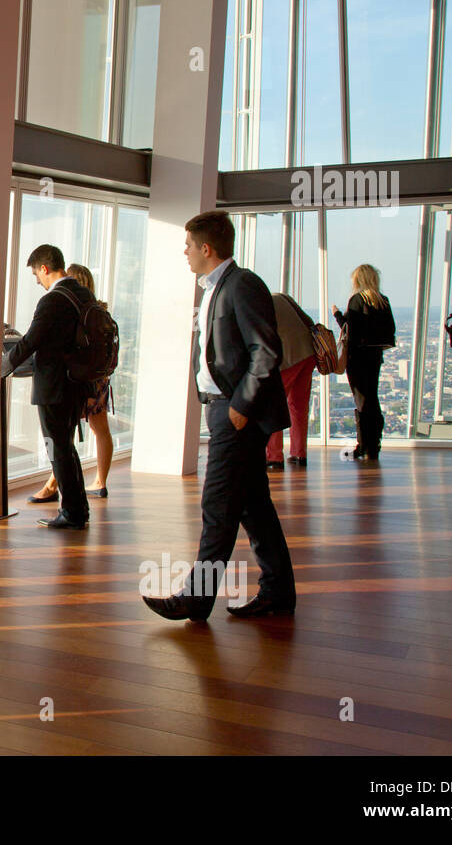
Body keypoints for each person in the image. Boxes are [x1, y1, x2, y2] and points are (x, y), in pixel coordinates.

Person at [142, 210, 297, 621]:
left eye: (189, 246)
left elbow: (265, 352)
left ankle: (195, 599)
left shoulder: (241, 285)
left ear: (206, 248)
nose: (186, 254)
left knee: (218, 507)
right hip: (222, 409)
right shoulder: (217, 286)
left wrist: (242, 408)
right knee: (252, 505)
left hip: (235, 412)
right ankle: (278, 590)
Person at [2, 245, 94, 530]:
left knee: (57, 447)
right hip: (77, 382)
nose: (37, 282)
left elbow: (31, 340)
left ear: (44, 268)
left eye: (35, 274)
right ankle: (79, 508)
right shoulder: (82, 294)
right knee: (66, 445)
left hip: (55, 386)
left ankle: (72, 512)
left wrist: (3, 367)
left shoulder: (53, 300)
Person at [27, 263, 115, 501]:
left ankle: (56, 487)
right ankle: (99, 481)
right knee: (98, 430)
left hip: (75, 379)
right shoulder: (97, 309)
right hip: (98, 379)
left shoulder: (69, 307)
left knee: (63, 436)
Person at [332, 264, 396, 461]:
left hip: (357, 358)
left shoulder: (357, 300)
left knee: (361, 400)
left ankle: (364, 445)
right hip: (374, 357)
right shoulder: (383, 301)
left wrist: (336, 314)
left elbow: (349, 329)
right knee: (372, 398)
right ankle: (374, 444)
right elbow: (390, 330)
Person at [266, 292, 318, 471]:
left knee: (274, 406)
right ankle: (299, 453)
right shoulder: (281, 297)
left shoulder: (260, 303)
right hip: (308, 353)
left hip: (289, 357)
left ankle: (274, 457)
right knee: (299, 405)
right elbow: (308, 320)